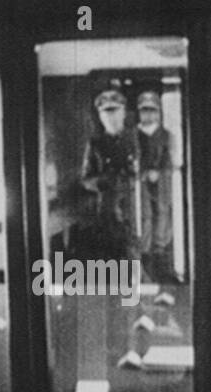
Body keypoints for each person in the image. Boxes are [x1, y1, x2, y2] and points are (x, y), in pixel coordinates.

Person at [79, 88, 139, 262]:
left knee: (137, 257)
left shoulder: (135, 139)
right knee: (111, 258)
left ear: (123, 113)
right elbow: (85, 179)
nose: (110, 117)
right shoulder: (95, 144)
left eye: (115, 111)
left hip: (134, 208)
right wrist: (102, 182)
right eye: (106, 113)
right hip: (108, 212)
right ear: (100, 116)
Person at [135, 91, 175, 282]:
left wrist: (159, 173)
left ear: (158, 112)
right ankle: (146, 254)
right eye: (144, 111)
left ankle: (160, 252)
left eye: (152, 111)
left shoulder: (165, 135)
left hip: (160, 185)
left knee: (162, 212)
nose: (148, 115)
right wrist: (142, 173)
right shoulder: (133, 135)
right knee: (145, 216)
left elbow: (169, 160)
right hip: (140, 185)